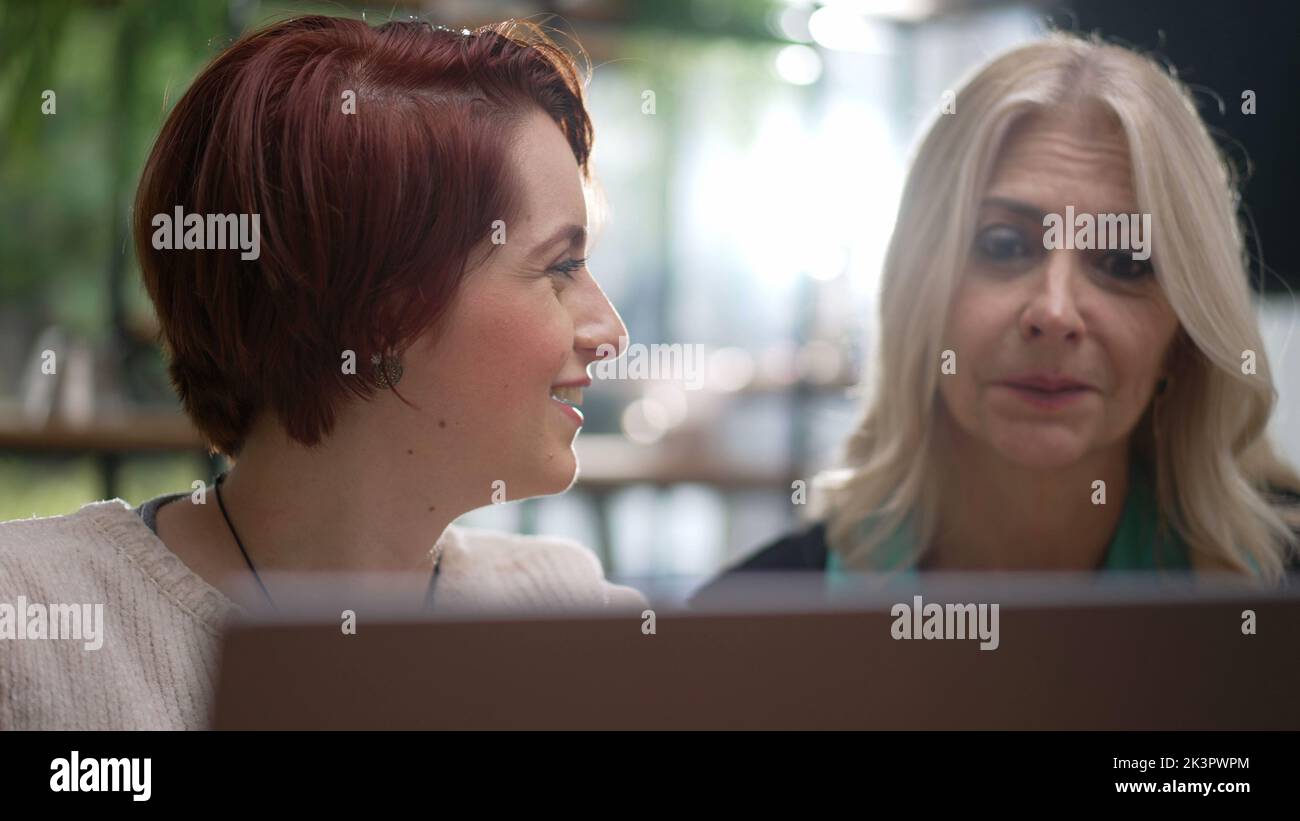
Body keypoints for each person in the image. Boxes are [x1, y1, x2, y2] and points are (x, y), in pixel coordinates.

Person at [0, 15, 644, 730]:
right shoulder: (30, 632)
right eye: (560, 267)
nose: (610, 332)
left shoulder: (568, 613)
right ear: (382, 310)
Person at [700, 33, 1300, 600]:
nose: (1056, 312)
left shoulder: (1277, 600)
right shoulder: (741, 628)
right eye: (1005, 245)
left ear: (1184, 334)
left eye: (1123, 262)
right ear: (917, 292)